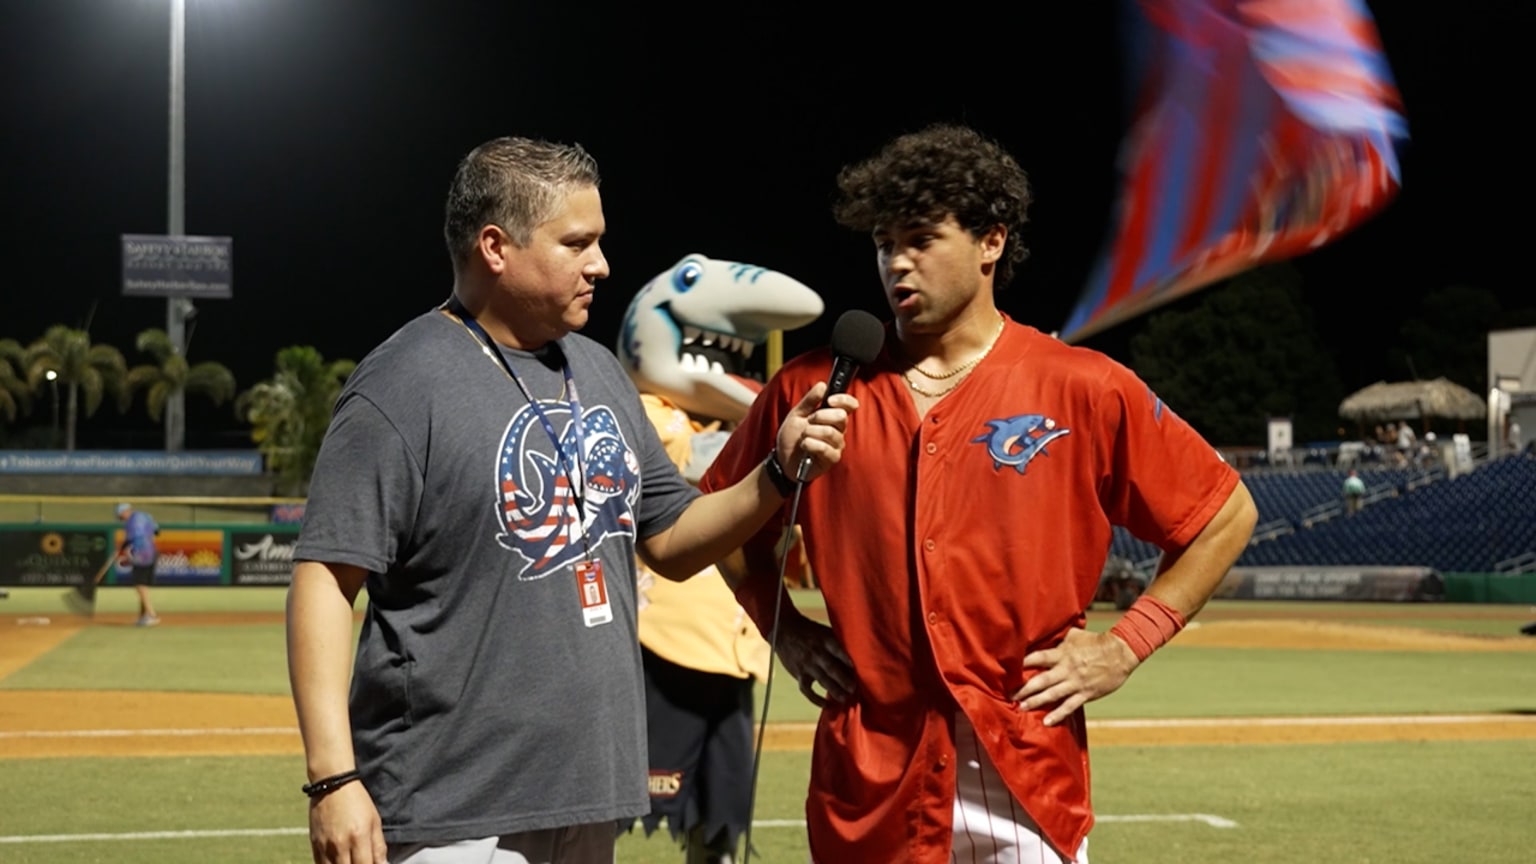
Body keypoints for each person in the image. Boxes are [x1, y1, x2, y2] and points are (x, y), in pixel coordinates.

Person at [284, 136, 856, 864]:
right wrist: (333, 778)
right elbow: (326, 579)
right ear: (496, 247)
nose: (602, 264)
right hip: (449, 809)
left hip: (588, 794)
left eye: (599, 242)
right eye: (577, 243)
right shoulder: (401, 383)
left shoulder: (599, 372)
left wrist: (775, 471)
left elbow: (673, 540)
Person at [701, 124, 1258, 863]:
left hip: (1027, 778)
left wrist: (1127, 644)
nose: (897, 262)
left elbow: (1224, 514)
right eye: (883, 244)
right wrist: (788, 634)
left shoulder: (1084, 386)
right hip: (871, 782)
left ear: (991, 242)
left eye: (921, 239)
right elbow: (717, 520)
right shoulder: (814, 387)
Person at [615, 254, 824, 864]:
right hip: (660, 650)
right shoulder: (645, 415)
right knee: (614, 813)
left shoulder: (739, 429)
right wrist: (773, 443)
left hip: (731, 654)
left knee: (721, 823)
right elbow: (693, 457)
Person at [116, 502, 160, 627]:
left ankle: (151, 615)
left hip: (142, 554)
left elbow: (133, 538)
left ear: (126, 511)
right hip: (152, 551)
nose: (122, 519)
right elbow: (157, 531)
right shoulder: (146, 515)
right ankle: (144, 616)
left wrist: (123, 548)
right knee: (143, 584)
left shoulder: (131, 522)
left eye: (121, 516)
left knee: (140, 585)